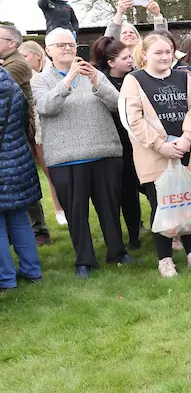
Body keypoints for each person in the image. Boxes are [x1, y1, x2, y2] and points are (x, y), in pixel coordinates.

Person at [32, 28, 132, 278]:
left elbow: (118, 104)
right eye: (61, 45)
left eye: (71, 44)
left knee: (110, 208)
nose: (68, 48)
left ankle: (117, 252)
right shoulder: (40, 80)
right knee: (76, 213)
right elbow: (46, 107)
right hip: (66, 157)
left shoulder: (94, 73)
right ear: (48, 50)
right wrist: (68, 81)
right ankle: (84, 260)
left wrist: (97, 82)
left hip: (104, 151)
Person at [119, 33, 191, 277]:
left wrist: (188, 138)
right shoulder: (133, 80)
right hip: (155, 153)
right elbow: (132, 119)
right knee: (161, 206)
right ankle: (165, 259)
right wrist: (160, 145)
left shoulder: (184, 77)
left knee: (189, 202)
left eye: (168, 51)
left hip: (186, 150)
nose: (164, 56)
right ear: (145, 54)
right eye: (158, 52)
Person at [91, 36, 143, 251]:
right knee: (115, 194)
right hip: (111, 144)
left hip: (134, 144)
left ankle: (134, 237)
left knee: (131, 193)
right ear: (111, 62)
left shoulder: (137, 78)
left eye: (131, 56)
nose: (131, 60)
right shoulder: (99, 81)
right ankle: (115, 240)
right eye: (125, 58)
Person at [0, 65, 43, 290]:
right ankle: (32, 270)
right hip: (18, 163)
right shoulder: (11, 86)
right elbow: (25, 120)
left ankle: (5, 279)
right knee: (19, 220)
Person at [17, 40, 66, 228]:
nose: (22, 61)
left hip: (56, 127)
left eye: (25, 56)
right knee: (49, 173)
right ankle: (58, 209)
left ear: (38, 55)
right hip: (37, 131)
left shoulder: (50, 73)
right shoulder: (27, 76)